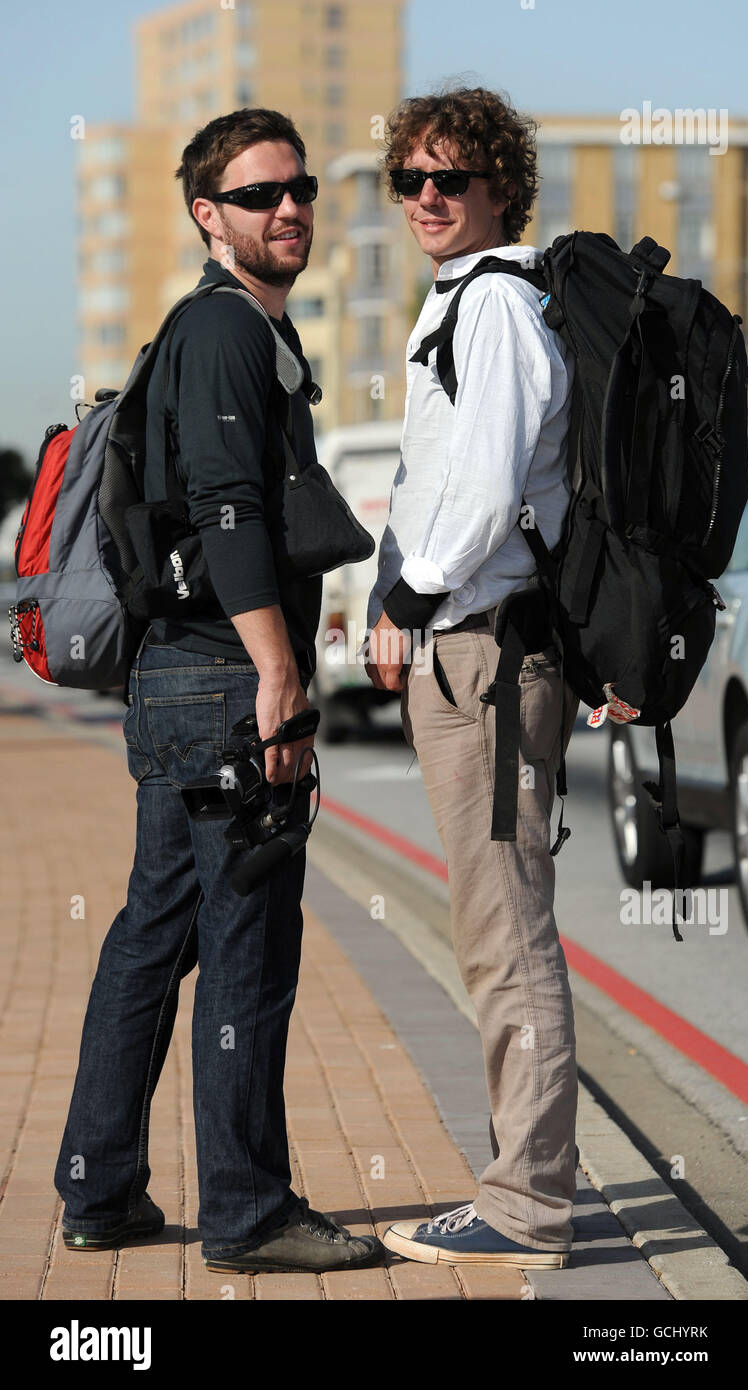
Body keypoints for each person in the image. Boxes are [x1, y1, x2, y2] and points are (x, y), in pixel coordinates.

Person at [54, 107, 382, 1276]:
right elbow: (228, 510)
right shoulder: (224, 331)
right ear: (209, 216)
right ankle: (247, 1212)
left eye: (297, 189)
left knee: (155, 931)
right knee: (249, 946)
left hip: (181, 677)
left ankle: (99, 1186)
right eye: (258, 196)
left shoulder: (219, 332)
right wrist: (282, 679)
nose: (287, 208)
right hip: (223, 676)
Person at [366, 86, 580, 1268]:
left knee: (505, 933)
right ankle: (525, 1181)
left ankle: (526, 1206)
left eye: (452, 178)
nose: (428, 199)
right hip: (469, 648)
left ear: (502, 186)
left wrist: (409, 594)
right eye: (410, 181)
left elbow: (486, 485)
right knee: (493, 925)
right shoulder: (462, 301)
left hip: (486, 649)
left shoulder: (494, 301)